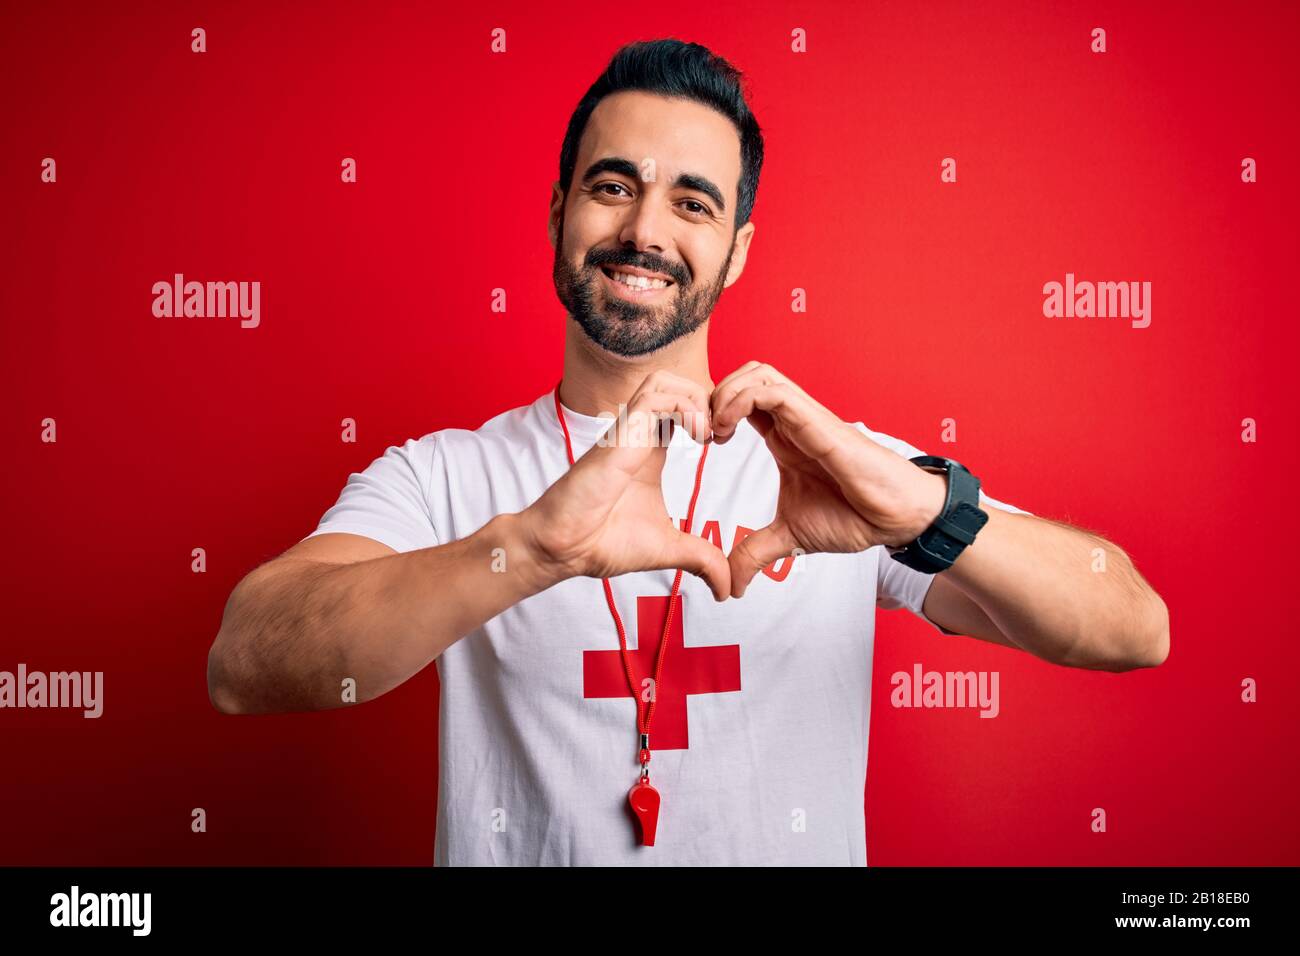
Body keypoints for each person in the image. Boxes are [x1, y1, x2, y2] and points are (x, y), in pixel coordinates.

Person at [207, 39, 1169, 866]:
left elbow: (1132, 628)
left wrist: (925, 513)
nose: (643, 231)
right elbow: (244, 665)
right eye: (612, 186)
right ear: (557, 214)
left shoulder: (830, 475)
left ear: (739, 250)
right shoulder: (444, 477)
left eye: (693, 203)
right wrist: (528, 550)